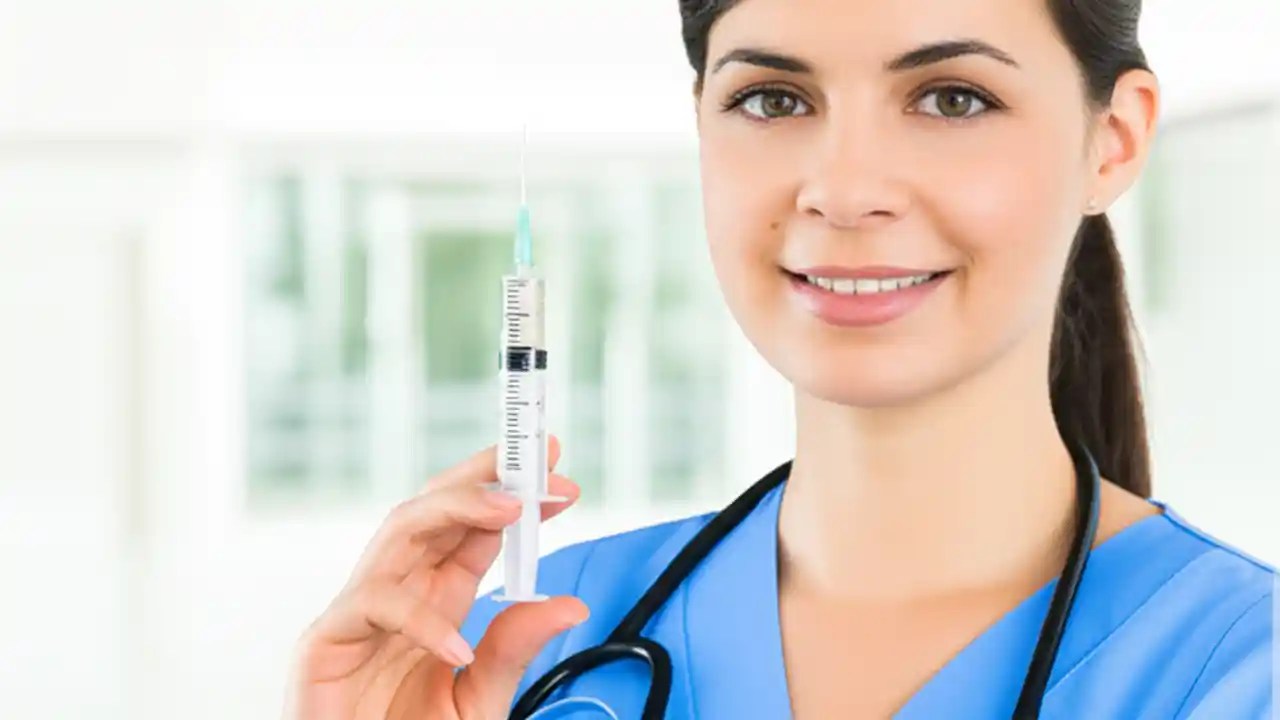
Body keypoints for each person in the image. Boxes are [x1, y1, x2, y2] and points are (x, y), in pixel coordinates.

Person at [285, 0, 1276, 717]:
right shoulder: (516, 651)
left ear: (1110, 138)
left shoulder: (1241, 671)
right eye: (770, 100)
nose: (841, 191)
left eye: (950, 99)